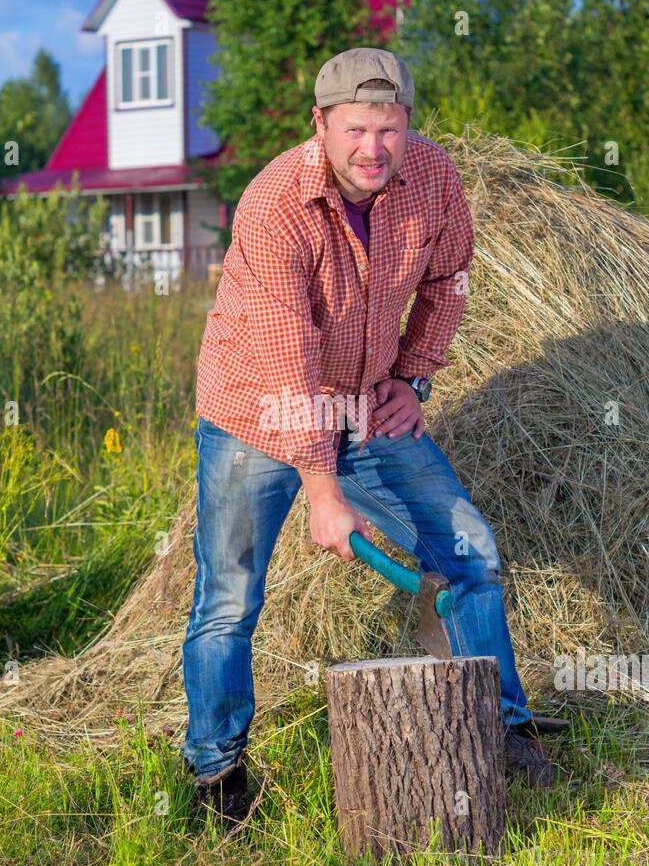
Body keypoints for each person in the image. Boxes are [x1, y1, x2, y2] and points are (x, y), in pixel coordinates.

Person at [182, 47, 571, 826]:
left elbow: (450, 278)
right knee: (229, 600)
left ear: (407, 125)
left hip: (367, 401)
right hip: (257, 412)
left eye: (389, 130)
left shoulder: (432, 177)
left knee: (470, 554)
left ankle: (500, 725)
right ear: (320, 124)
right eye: (356, 129)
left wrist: (415, 376)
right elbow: (288, 358)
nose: (374, 149)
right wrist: (322, 491)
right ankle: (215, 770)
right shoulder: (274, 206)